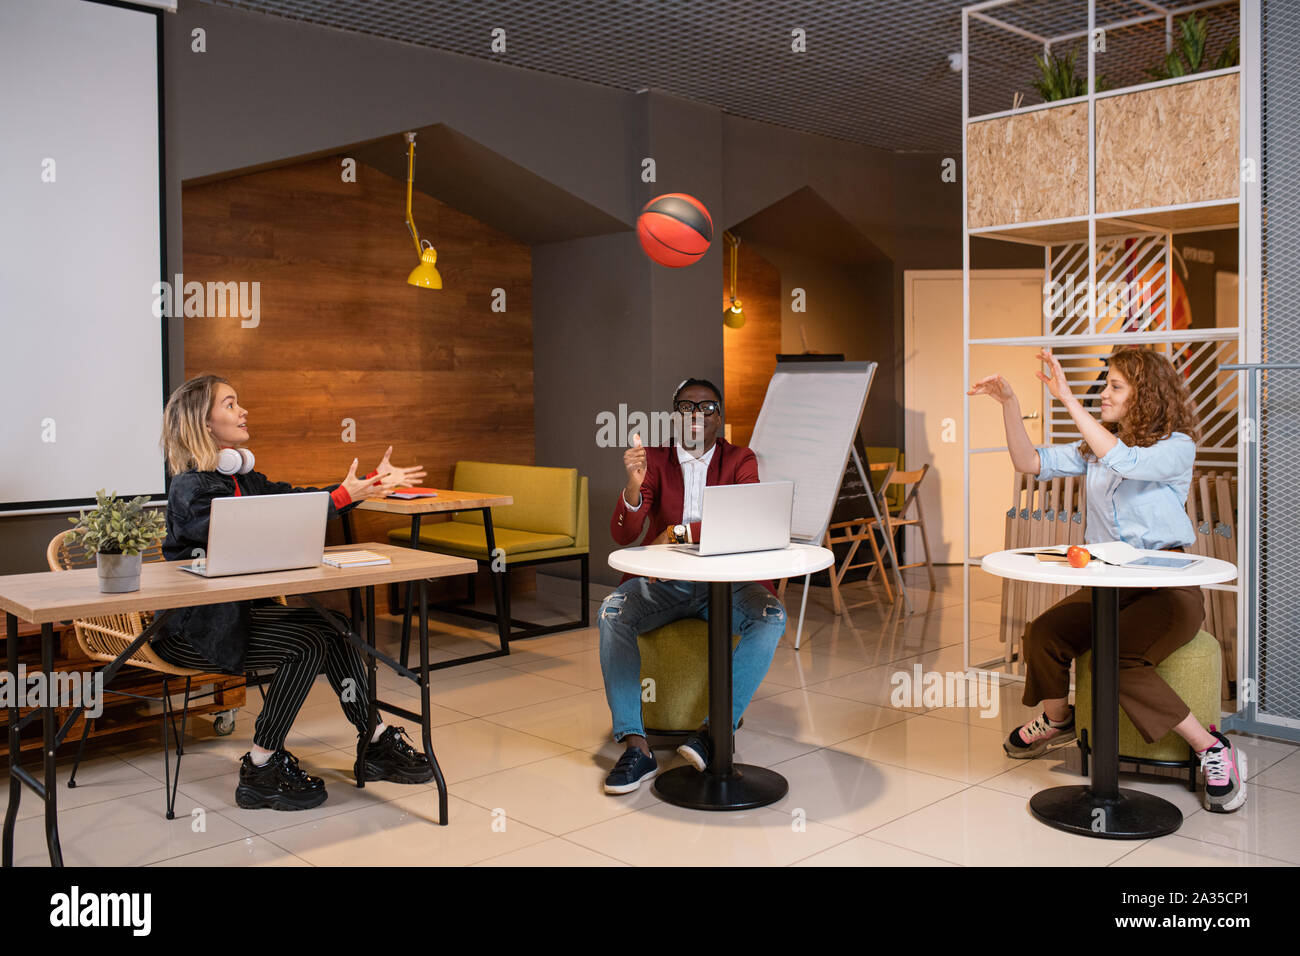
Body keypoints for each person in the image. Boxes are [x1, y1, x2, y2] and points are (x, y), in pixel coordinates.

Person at [969, 347, 1245, 813]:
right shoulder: (1096, 447)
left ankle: (1211, 747)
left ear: (1146, 395)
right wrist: (1010, 404)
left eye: (1115, 386)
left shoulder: (1176, 446)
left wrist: (1067, 399)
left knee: (1119, 662)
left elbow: (1128, 463)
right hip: (1107, 584)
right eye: (1105, 385)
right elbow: (1029, 462)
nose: (1104, 394)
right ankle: (1057, 720)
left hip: (1167, 587)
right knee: (1044, 633)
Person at [155, 374, 434, 811]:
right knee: (305, 643)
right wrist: (340, 497)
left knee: (334, 626)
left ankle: (375, 741)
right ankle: (260, 766)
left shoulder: (245, 481)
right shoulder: (189, 488)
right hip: (196, 632)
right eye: (230, 404)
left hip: (239, 620)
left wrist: (362, 487)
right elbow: (252, 526)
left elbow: (298, 502)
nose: (243, 411)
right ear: (203, 423)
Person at [598, 378, 787, 795]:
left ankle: (713, 733)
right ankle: (636, 745)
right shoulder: (654, 460)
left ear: (719, 417)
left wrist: (680, 532)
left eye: (706, 408)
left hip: (728, 583)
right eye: (686, 407)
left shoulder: (741, 459)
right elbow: (623, 534)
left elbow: (745, 519)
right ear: (674, 415)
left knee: (771, 617)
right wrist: (632, 485)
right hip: (667, 583)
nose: (696, 415)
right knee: (612, 612)